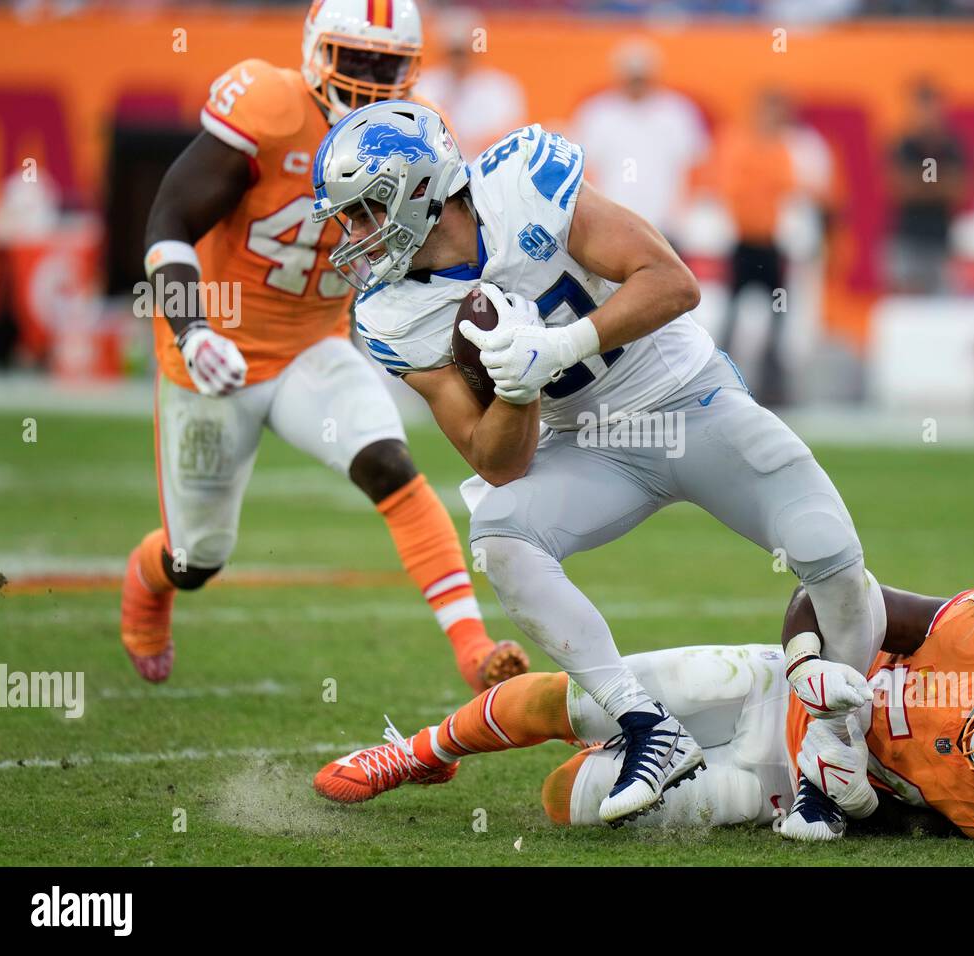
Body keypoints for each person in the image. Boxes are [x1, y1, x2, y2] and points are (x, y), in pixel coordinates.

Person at [310, 102, 878, 826]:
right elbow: (498, 461)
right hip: (588, 444)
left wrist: (560, 346)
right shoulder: (393, 313)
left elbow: (671, 281)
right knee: (503, 532)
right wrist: (517, 389)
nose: (353, 235)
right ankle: (647, 726)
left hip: (689, 402)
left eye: (363, 211)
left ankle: (834, 748)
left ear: (418, 189)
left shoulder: (523, 183)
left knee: (830, 552)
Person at [120, 0, 527, 692]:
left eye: (387, 65)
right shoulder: (271, 104)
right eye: (357, 59)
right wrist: (192, 331)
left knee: (389, 464)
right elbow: (169, 219)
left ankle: (472, 647)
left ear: (413, 69)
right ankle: (147, 585)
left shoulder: (412, 132)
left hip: (314, 344)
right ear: (317, 51)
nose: (371, 81)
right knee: (198, 557)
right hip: (213, 353)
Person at [312, 580, 974, 845]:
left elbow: (929, 829)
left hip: (780, 788)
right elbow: (825, 590)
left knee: (570, 799)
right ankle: (422, 750)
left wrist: (857, 803)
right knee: (574, 698)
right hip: (765, 688)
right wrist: (810, 666)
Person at [568, 38, 710, 244]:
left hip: (665, 220)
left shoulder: (676, 112)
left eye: (641, 78)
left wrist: (684, 211)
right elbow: (584, 168)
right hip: (612, 219)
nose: (636, 84)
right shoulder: (598, 113)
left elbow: (696, 163)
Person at [712, 90, 800, 406]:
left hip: (769, 243)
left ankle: (773, 386)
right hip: (745, 243)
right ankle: (720, 379)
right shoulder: (739, 145)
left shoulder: (781, 150)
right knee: (732, 314)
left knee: (777, 317)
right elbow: (734, 190)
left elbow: (788, 190)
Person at [886, 79, 967, 294]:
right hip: (907, 239)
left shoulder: (951, 145)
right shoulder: (904, 145)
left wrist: (922, 183)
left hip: (942, 241)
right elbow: (902, 189)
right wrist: (937, 185)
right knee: (907, 307)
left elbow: (958, 189)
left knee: (940, 312)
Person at [418, 9, 526, 162]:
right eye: (454, 52)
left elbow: (510, 139)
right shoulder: (426, 84)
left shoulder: (501, 88)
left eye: (463, 52)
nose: (459, 60)